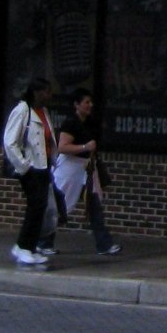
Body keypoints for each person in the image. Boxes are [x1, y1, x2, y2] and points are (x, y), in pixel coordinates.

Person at [51, 89, 120, 256]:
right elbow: (62, 147)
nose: (90, 105)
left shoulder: (91, 122)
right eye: (86, 102)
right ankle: (43, 241)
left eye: (90, 102)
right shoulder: (70, 123)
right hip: (70, 168)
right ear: (77, 105)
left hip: (87, 167)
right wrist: (84, 147)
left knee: (94, 204)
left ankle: (104, 244)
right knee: (61, 207)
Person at [2, 78, 56, 268]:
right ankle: (24, 248)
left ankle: (27, 247)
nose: (49, 95)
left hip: (44, 166)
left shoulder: (44, 112)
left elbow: (48, 140)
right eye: (47, 91)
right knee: (36, 207)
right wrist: (24, 166)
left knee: (39, 208)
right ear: (37, 92)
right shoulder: (23, 111)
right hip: (31, 168)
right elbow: (10, 141)